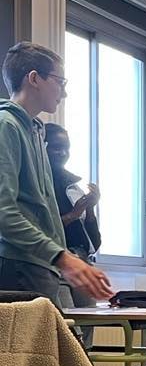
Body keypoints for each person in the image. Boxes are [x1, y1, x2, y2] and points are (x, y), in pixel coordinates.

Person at [0, 42, 111, 306]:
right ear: (34, 78)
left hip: (42, 266)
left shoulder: (36, 129)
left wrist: (65, 260)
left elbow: (44, 209)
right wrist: (61, 257)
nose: (65, 92)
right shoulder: (7, 126)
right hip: (19, 264)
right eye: (60, 81)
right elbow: (4, 211)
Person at [44, 123, 102, 307]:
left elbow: (95, 242)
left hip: (82, 261)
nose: (62, 153)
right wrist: (73, 214)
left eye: (66, 148)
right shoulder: (39, 185)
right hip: (57, 262)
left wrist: (90, 209)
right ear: (42, 147)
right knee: (67, 326)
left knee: (88, 323)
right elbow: (44, 230)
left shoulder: (72, 186)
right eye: (56, 147)